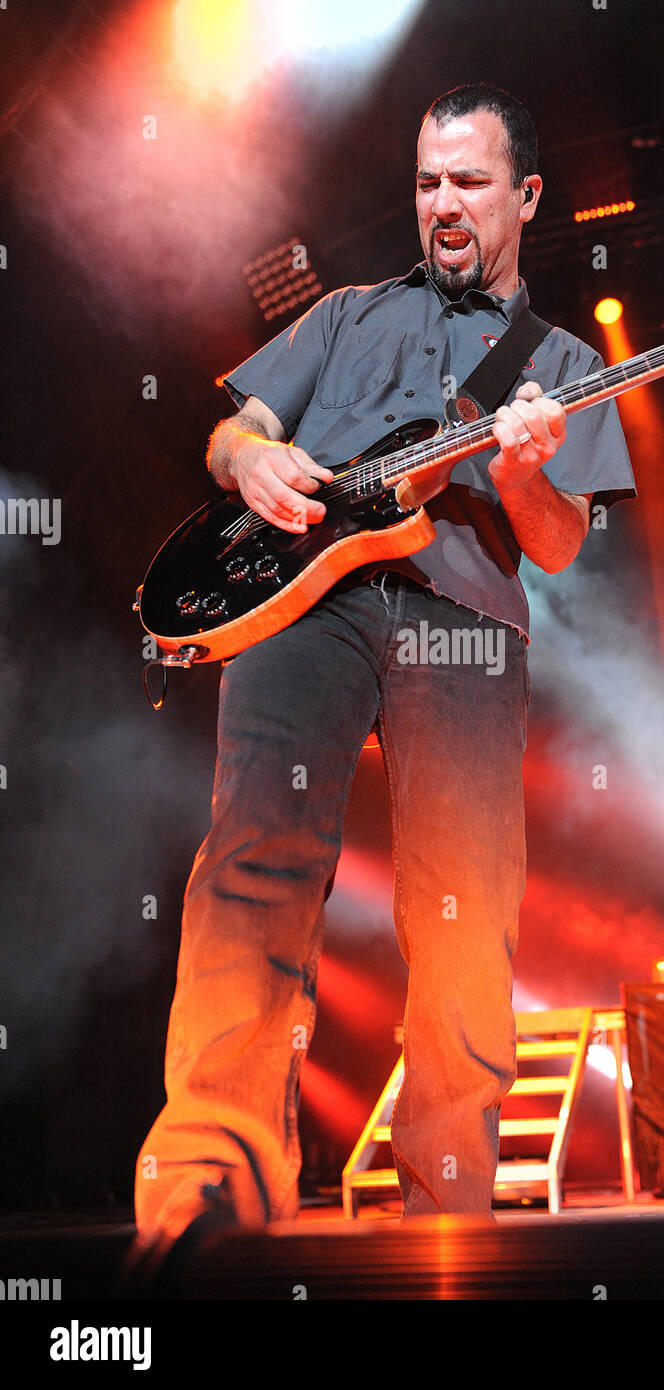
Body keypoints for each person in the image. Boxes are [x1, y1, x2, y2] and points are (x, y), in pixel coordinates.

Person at [131, 83, 635, 1260]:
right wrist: (250, 464)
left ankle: (445, 1219)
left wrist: (519, 475)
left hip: (462, 614)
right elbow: (233, 429)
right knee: (253, 860)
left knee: (465, 910)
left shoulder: (560, 360)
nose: (443, 205)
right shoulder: (348, 313)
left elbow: (557, 546)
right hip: (304, 599)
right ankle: (202, 1199)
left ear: (526, 196)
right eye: (426, 183)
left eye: (468, 181)